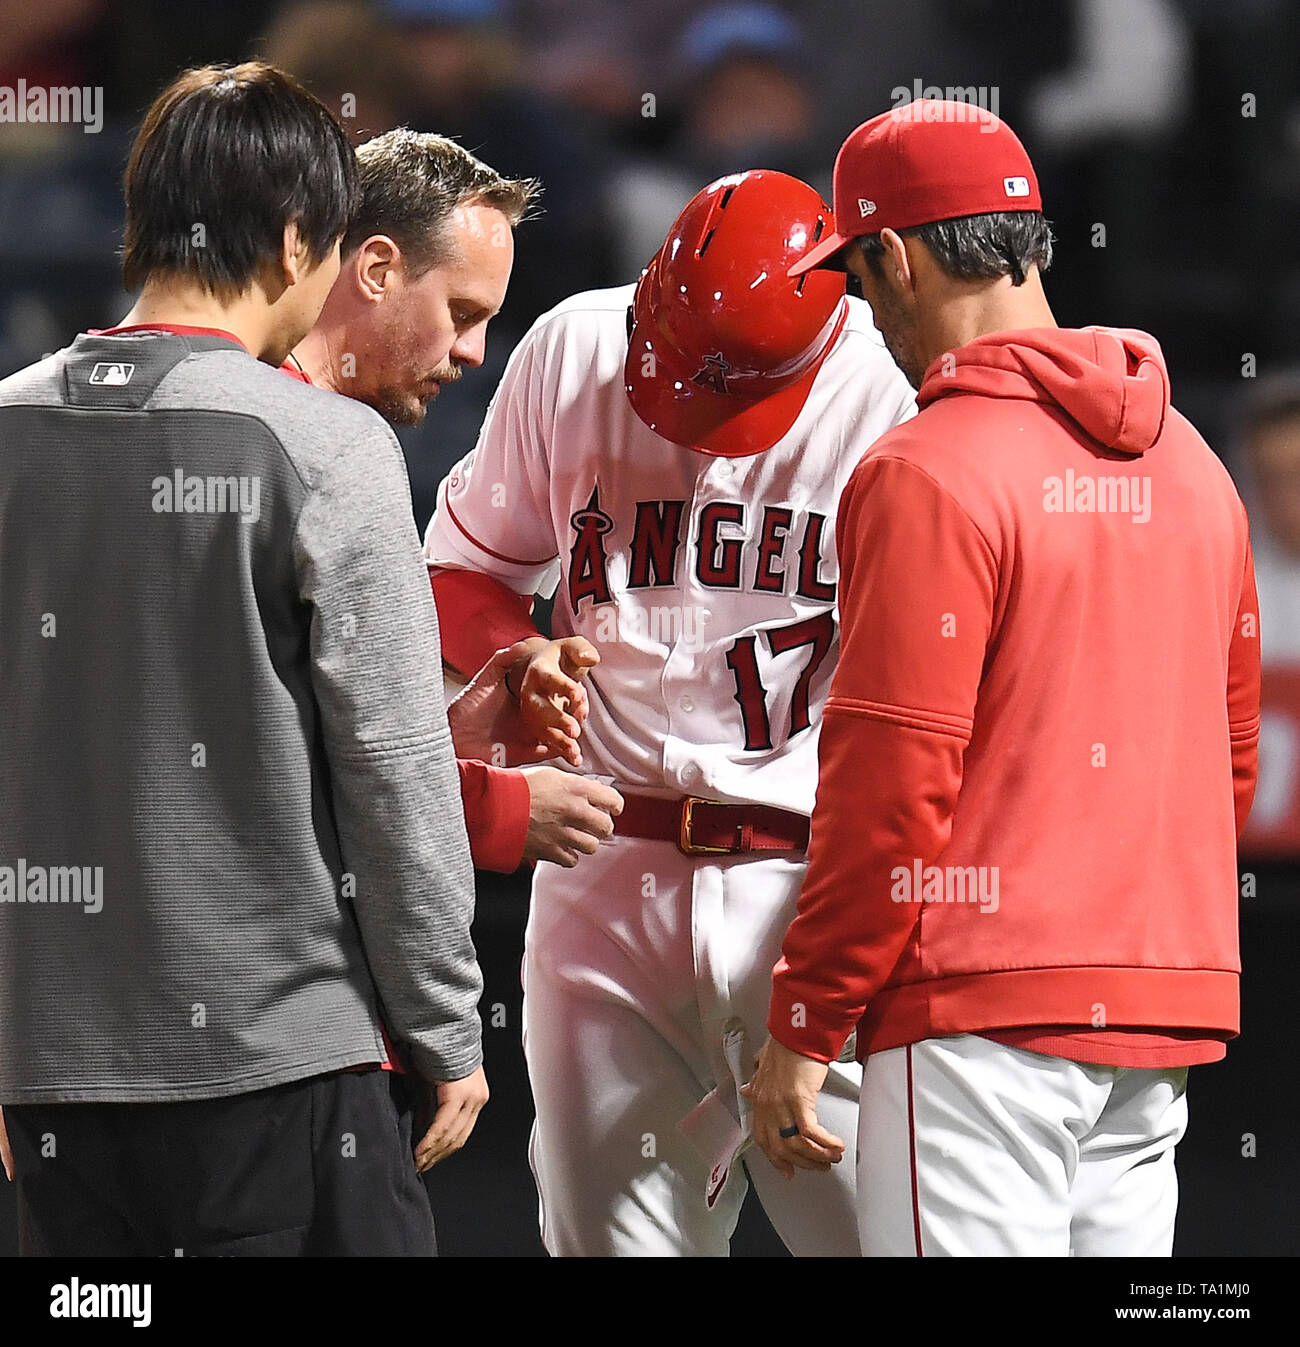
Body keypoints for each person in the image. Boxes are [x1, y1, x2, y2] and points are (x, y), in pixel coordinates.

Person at [746, 99, 1261, 1257]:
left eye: (857, 278)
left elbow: (889, 780)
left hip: (979, 1022)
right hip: (1155, 1014)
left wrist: (808, 1016)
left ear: (894, 256)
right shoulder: (1195, 464)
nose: (863, 313)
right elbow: (1226, 770)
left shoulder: (927, 466)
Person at [0, 63, 483, 1256]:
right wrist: (447, 1027)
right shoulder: (328, 446)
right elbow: (393, 771)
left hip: (56, 1090)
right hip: (281, 1082)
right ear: (290, 243)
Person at [424, 168, 917, 1256]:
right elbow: (460, 568)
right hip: (606, 858)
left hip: (809, 884)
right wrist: (516, 652)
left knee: (881, 1241)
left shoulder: (891, 392)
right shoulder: (574, 344)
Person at [288, 127, 624, 871]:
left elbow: (301, 726)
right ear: (376, 268)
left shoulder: (324, 435)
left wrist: (454, 737)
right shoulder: (305, 450)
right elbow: (262, 764)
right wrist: (493, 807)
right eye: (462, 312)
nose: (473, 352)